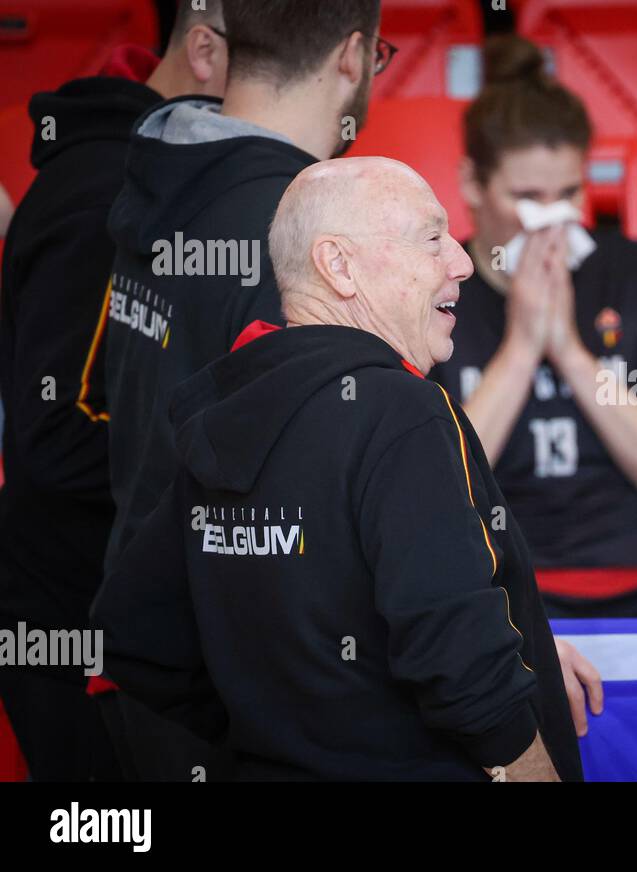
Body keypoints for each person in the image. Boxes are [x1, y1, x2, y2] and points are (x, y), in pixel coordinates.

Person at [92, 156, 581, 781]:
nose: (461, 262)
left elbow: (134, 635)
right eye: (432, 238)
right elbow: (460, 661)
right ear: (338, 266)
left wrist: (274, 739)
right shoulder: (404, 411)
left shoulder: (231, 403)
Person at [98, 0, 383, 780]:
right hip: (245, 687)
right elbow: (318, 504)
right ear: (351, 54)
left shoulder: (165, 167)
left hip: (150, 650)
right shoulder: (302, 231)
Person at [0, 0, 227, 781]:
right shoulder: (106, 191)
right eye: (271, 63)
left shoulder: (183, 179)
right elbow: (57, 436)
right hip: (76, 630)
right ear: (206, 51)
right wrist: (234, 467)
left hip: (140, 622)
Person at [434, 36, 637, 619]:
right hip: (502, 587)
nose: (552, 218)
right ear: (472, 185)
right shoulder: (437, 290)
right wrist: (521, 348)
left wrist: (569, 351)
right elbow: (434, 501)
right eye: (527, 197)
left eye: (568, 194)